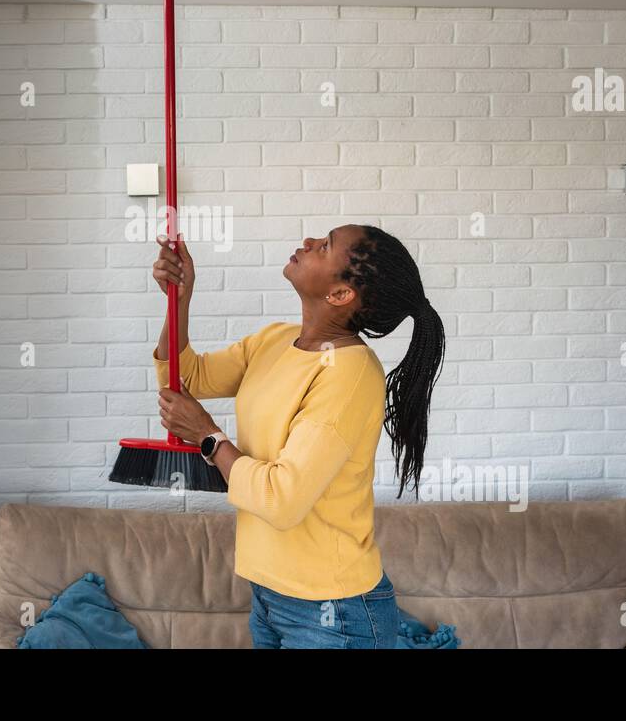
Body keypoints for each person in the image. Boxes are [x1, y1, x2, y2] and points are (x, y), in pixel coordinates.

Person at [152, 224, 460, 649]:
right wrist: (180, 298)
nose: (310, 242)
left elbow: (282, 499)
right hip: (268, 595)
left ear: (339, 295)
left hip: (333, 615)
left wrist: (208, 436)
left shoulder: (349, 375)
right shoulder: (274, 341)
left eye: (325, 246)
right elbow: (186, 376)